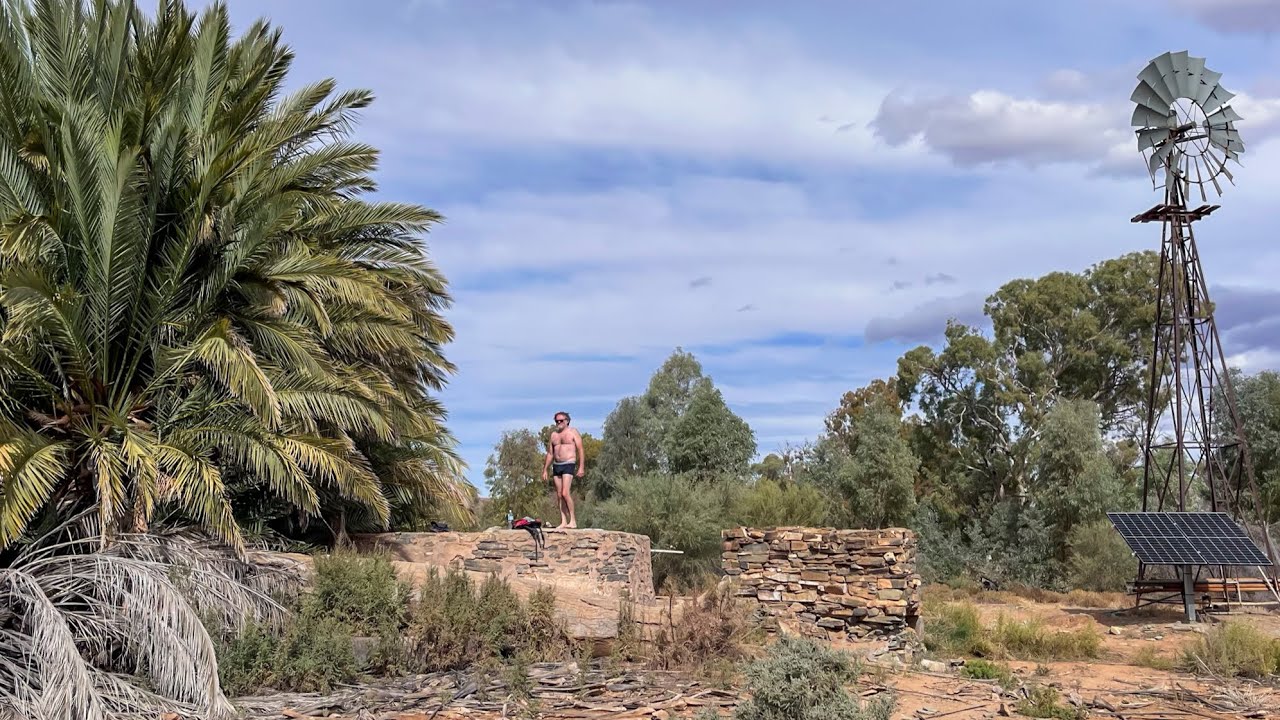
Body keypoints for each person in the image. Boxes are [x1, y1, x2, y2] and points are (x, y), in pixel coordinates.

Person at [542, 411, 584, 529]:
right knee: (559, 495)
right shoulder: (554, 435)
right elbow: (550, 453)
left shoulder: (573, 432)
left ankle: (573, 520)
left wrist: (581, 467)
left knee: (565, 493)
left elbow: (580, 449)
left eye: (561, 420)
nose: (559, 423)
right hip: (557, 465)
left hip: (568, 463)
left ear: (567, 421)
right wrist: (545, 469)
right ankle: (564, 521)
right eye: (557, 421)